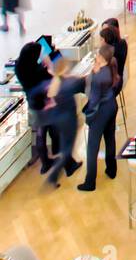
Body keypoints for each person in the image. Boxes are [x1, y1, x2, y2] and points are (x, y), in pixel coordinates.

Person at [76, 42, 120, 192]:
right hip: (112, 106)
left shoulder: (97, 76)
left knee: (92, 147)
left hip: (100, 111)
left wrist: (88, 116)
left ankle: (90, 182)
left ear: (101, 57)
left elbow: (93, 100)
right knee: (110, 139)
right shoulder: (111, 67)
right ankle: (111, 169)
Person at [15, 41, 59, 175]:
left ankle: (45, 163)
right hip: (45, 104)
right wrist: (48, 64)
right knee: (53, 128)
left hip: (33, 105)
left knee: (40, 134)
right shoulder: (39, 71)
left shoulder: (19, 67)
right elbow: (54, 78)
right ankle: (57, 154)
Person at [44, 57, 85, 187]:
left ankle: (70, 166)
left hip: (58, 119)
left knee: (65, 145)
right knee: (67, 149)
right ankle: (53, 177)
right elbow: (82, 82)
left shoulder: (55, 83)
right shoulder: (69, 83)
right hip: (69, 119)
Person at [100, 19, 128, 83]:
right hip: (118, 79)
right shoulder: (122, 42)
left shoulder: (110, 51)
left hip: (113, 83)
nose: (103, 33)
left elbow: (103, 72)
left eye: (105, 31)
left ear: (113, 31)